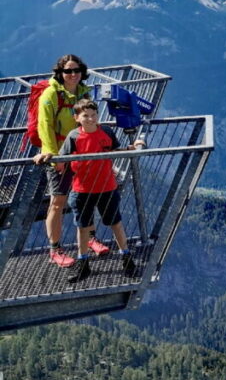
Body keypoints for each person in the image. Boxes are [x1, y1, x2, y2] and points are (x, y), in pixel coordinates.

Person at [52, 99, 146, 283]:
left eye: (94, 115)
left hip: (107, 188)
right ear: (77, 118)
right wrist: (47, 157)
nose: (90, 119)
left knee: (115, 223)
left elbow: (115, 150)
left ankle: (127, 259)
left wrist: (131, 148)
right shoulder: (73, 137)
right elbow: (60, 161)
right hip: (82, 190)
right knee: (83, 227)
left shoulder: (106, 132)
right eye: (85, 115)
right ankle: (83, 263)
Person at [31, 54, 92, 268]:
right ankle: (55, 249)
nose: (72, 74)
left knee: (85, 196)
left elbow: (90, 123)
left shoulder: (84, 93)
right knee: (57, 203)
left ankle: (88, 238)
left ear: (82, 71)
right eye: (68, 71)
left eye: (76, 70)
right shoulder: (51, 94)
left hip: (81, 153)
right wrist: (53, 155)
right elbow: (44, 125)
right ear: (60, 73)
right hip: (58, 154)